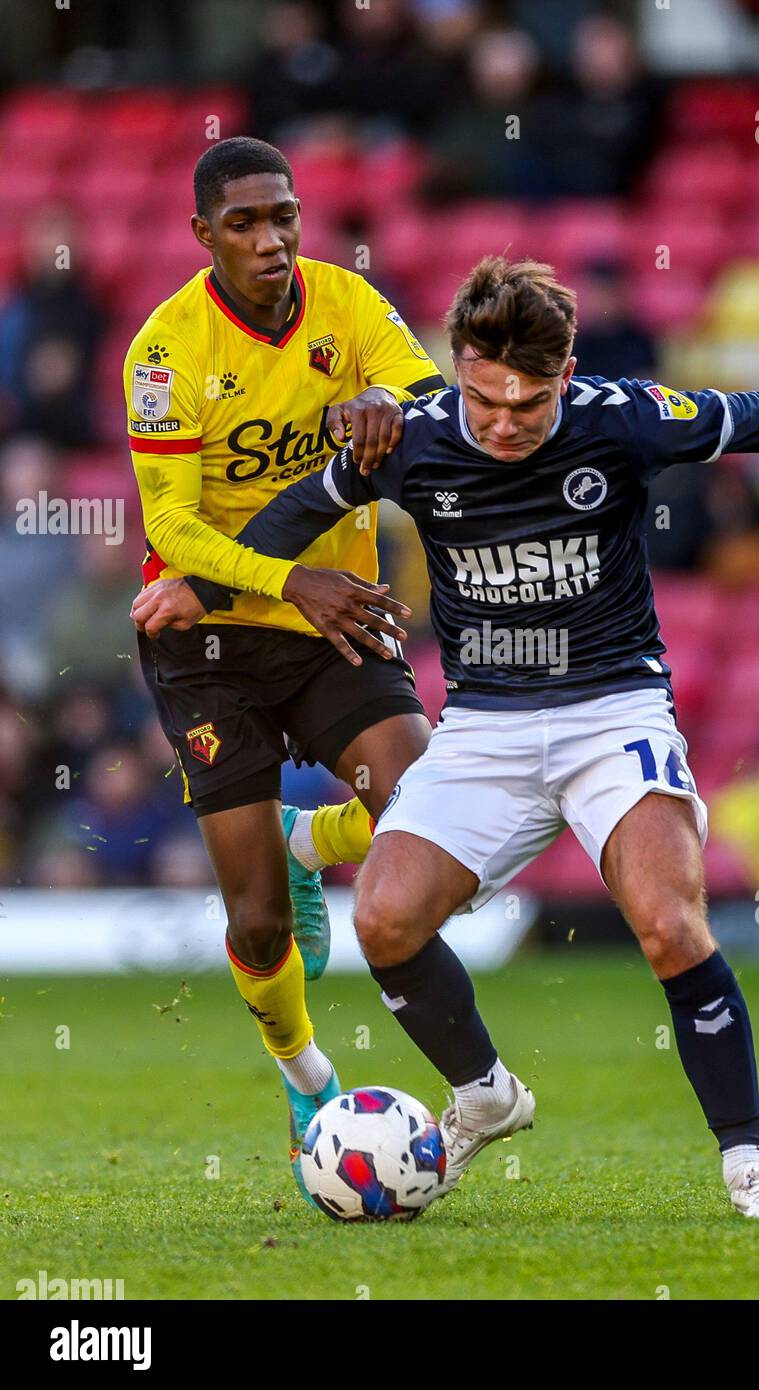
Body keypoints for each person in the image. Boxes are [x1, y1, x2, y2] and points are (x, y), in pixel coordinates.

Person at [154, 257, 759, 1219]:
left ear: (567, 372)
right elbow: (297, 514)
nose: (503, 422)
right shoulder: (413, 440)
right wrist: (200, 589)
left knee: (669, 925)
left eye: (529, 404)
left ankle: (747, 1161)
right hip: (486, 725)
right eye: (485, 398)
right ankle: (487, 1095)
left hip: (611, 709)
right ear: (456, 365)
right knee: (383, 921)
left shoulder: (619, 417)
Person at [123, 136, 445, 1205]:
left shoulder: (347, 306)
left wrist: (386, 409)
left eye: (285, 217)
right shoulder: (165, 353)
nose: (271, 240)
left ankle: (312, 840)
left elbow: (428, 398)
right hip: (207, 637)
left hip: (328, 618)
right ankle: (308, 1078)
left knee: (425, 804)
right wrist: (282, 576)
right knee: (258, 922)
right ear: (203, 235)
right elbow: (167, 520)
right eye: (246, 223)